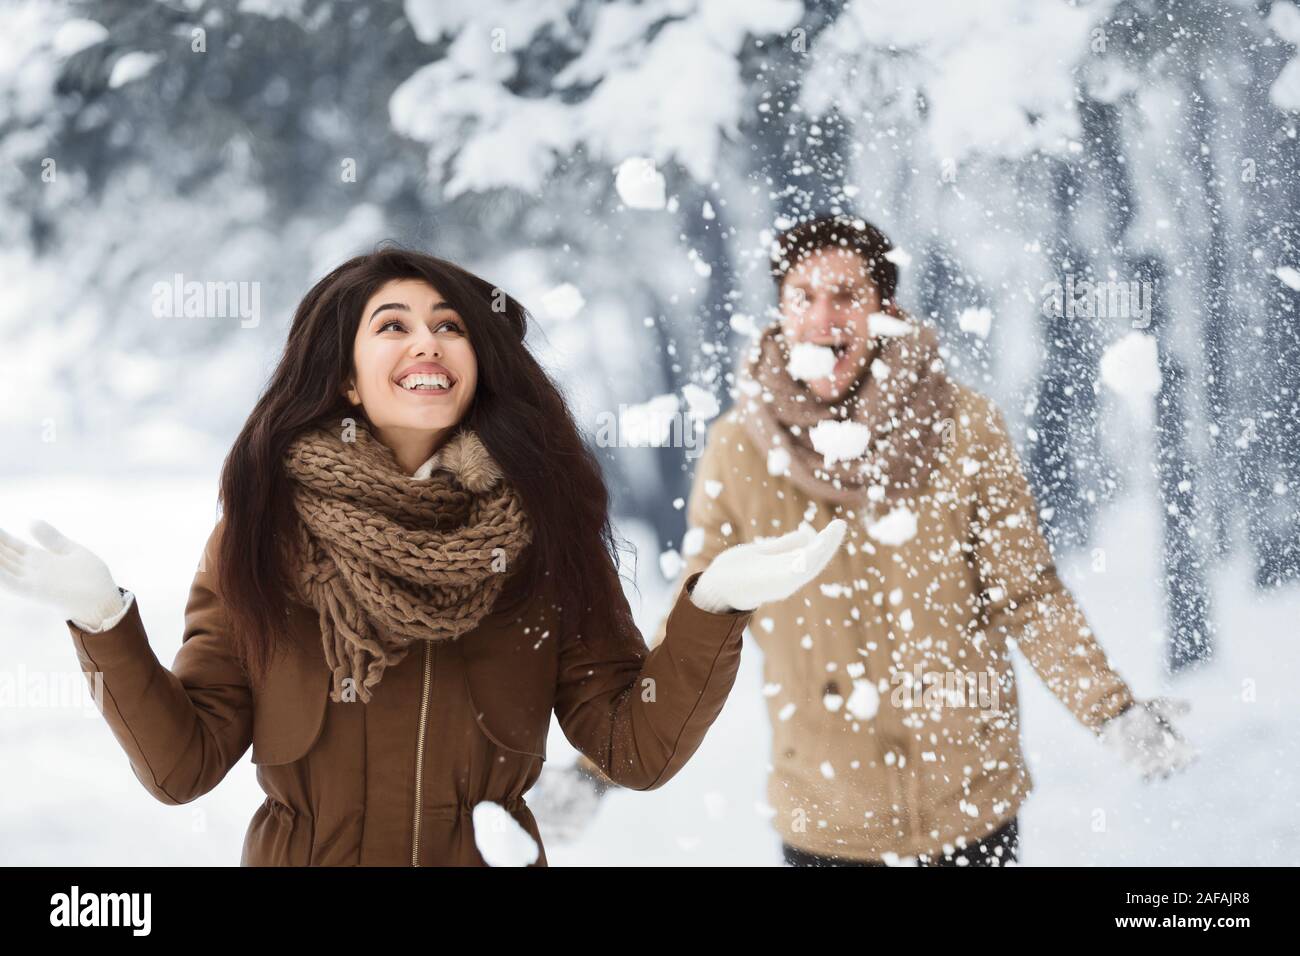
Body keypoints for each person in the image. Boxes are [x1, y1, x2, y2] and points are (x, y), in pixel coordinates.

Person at [0, 246, 847, 867]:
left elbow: (633, 748)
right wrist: (103, 618)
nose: (428, 343)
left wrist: (714, 609)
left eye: (450, 327)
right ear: (344, 375)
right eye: (393, 325)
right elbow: (185, 764)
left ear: (477, 365)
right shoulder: (262, 536)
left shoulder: (545, 541)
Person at [557, 214, 1197, 866]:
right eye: (803, 296)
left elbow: (1029, 594)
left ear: (884, 308)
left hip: (970, 806)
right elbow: (698, 618)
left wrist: (1112, 711)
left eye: (846, 295)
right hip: (826, 820)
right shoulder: (738, 449)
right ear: (780, 310)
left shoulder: (963, 426)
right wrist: (598, 767)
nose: (823, 316)